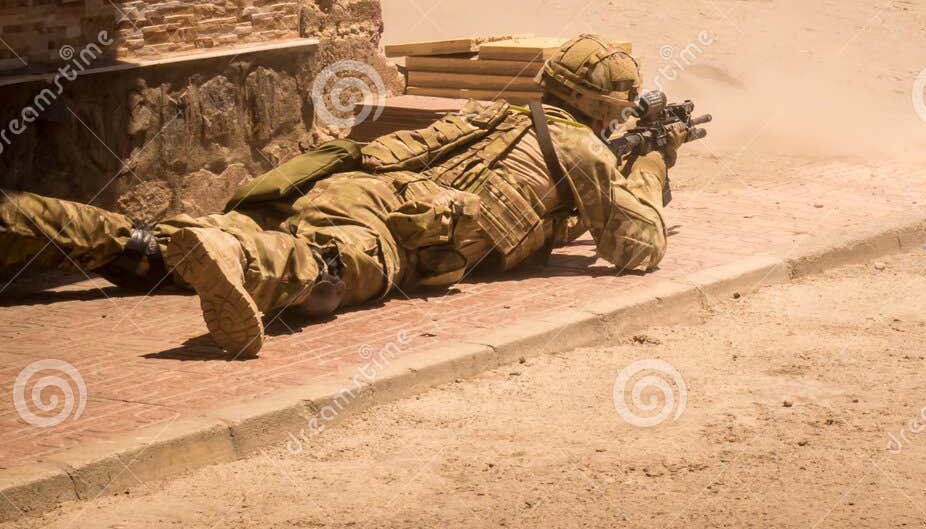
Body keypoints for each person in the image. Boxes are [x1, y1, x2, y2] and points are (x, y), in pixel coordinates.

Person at [0, 35, 683, 357]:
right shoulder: (586, 151)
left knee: (142, 243)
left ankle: (22, 218)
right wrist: (651, 162)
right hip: (389, 228)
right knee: (325, 275)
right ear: (606, 108)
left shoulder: (495, 112)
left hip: (340, 186)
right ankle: (240, 258)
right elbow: (636, 247)